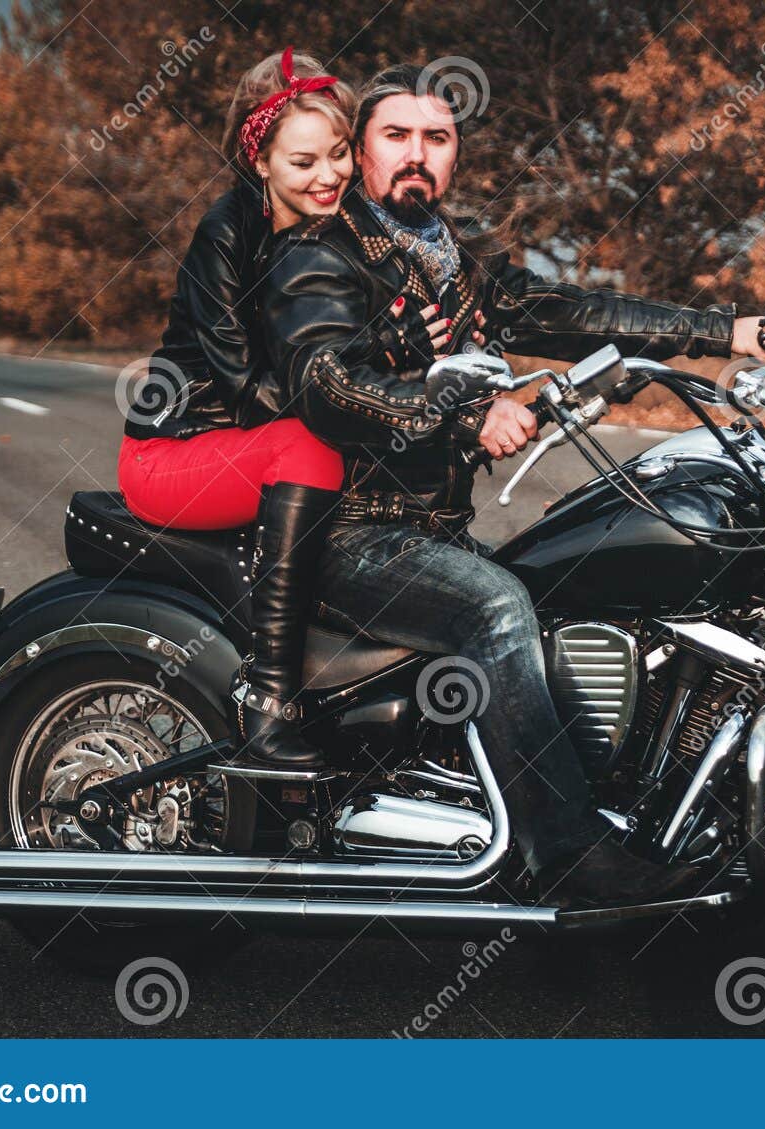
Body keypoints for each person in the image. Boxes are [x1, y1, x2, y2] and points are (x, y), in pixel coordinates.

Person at [258, 64, 765, 903]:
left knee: (567, 580)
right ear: (358, 153)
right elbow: (326, 386)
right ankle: (570, 857)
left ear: (455, 153)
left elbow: (565, 312)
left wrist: (730, 333)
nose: (417, 156)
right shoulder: (319, 255)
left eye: (437, 138)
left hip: (427, 529)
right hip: (354, 534)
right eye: (396, 137)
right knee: (500, 606)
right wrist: (465, 416)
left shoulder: (452, 260)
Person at [118, 50, 454, 766]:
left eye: (338, 154)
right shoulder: (228, 232)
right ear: (260, 162)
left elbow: (340, 351)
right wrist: (376, 368)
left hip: (240, 450)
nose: (328, 175)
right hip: (173, 452)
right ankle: (269, 707)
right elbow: (255, 389)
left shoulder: (328, 233)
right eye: (303, 163)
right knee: (312, 443)